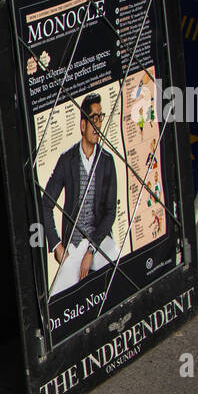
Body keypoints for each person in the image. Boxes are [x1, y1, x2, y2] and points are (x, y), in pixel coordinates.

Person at [40, 93, 121, 296]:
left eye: (100, 118)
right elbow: (45, 204)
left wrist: (92, 250)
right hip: (74, 245)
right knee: (59, 297)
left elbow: (110, 212)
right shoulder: (67, 160)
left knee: (120, 265)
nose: (98, 125)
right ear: (83, 125)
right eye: (93, 118)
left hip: (98, 239)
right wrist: (57, 245)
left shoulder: (107, 161)